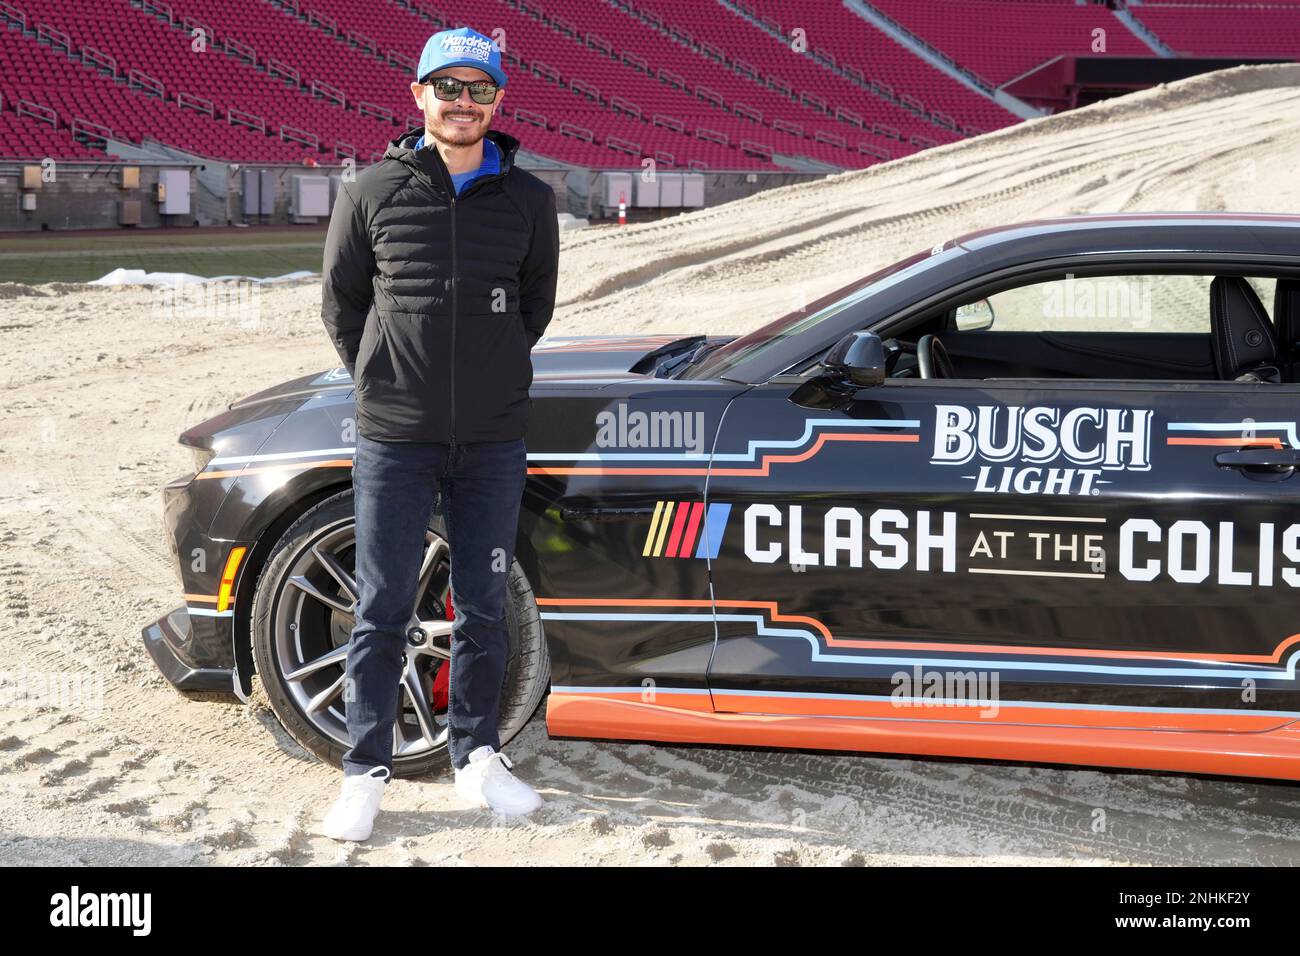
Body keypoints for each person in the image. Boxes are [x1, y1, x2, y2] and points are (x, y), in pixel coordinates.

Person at [317, 26, 560, 841]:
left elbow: (533, 309)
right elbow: (343, 308)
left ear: (499, 101)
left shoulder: (530, 200)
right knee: (381, 606)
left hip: (492, 439)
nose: (463, 103)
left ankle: (477, 759)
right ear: (417, 94)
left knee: (484, 608)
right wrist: (388, 380)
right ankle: (364, 771)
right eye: (446, 88)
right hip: (395, 435)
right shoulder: (370, 190)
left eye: (478, 89)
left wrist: (484, 374)